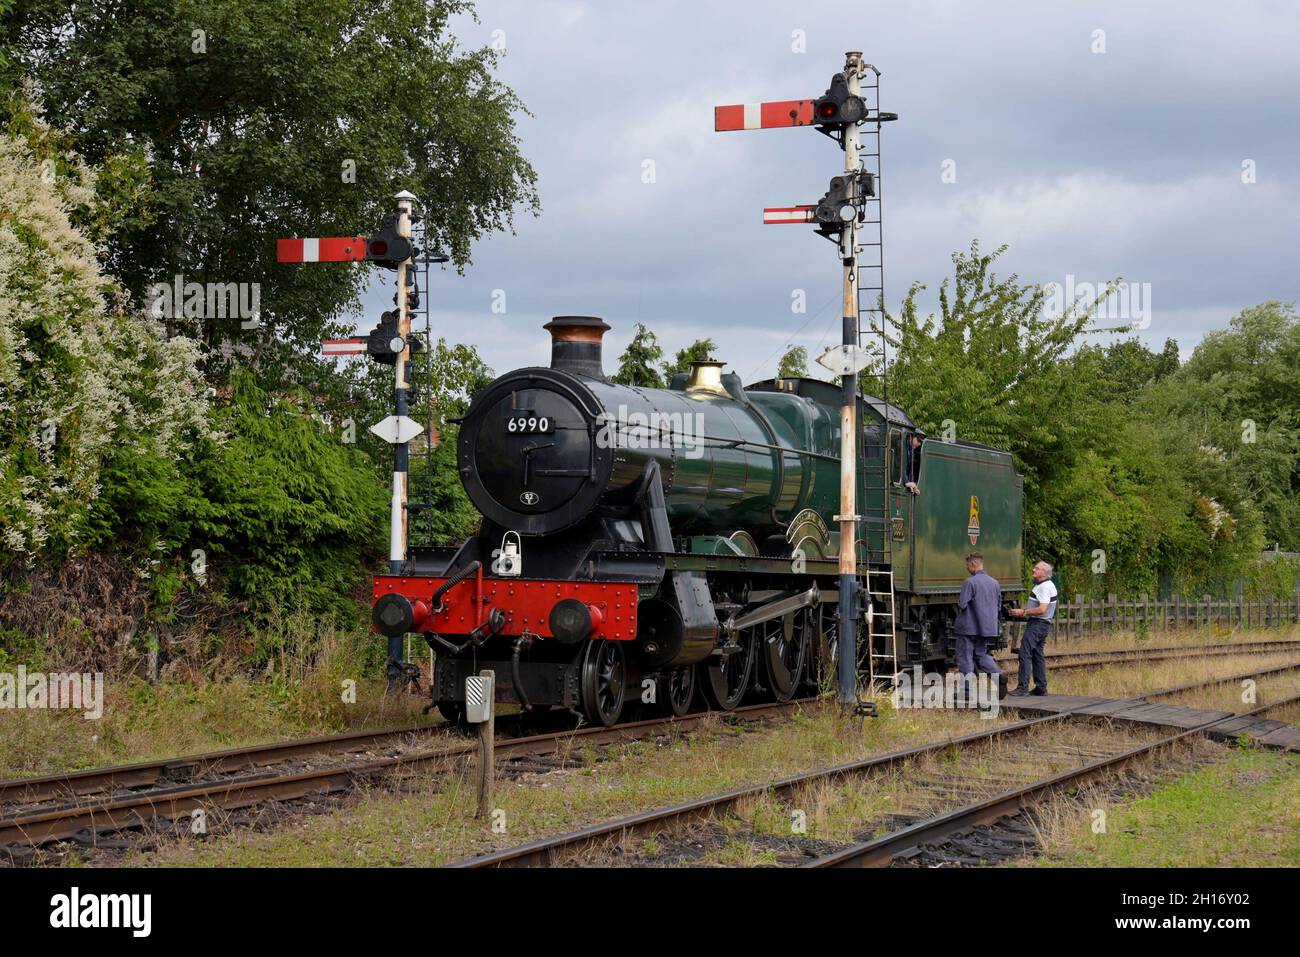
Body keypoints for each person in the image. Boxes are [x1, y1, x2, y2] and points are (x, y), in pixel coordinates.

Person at [952, 552, 1005, 698]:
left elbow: (962, 604)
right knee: (981, 654)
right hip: (985, 629)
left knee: (965, 657)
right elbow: (999, 606)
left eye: (967, 565)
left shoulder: (970, 582)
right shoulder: (994, 583)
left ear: (973, 564)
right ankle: (998, 674)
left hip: (968, 628)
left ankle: (967, 691)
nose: (967, 568)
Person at [1008, 561, 1058, 696]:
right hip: (1043, 624)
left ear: (1044, 572)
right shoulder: (1048, 585)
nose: (1033, 570)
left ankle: (1022, 687)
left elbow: (1042, 608)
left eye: (1037, 568)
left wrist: (1023, 612)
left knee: (1025, 652)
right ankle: (1041, 687)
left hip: (1038, 624)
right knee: (1037, 654)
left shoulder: (1044, 587)